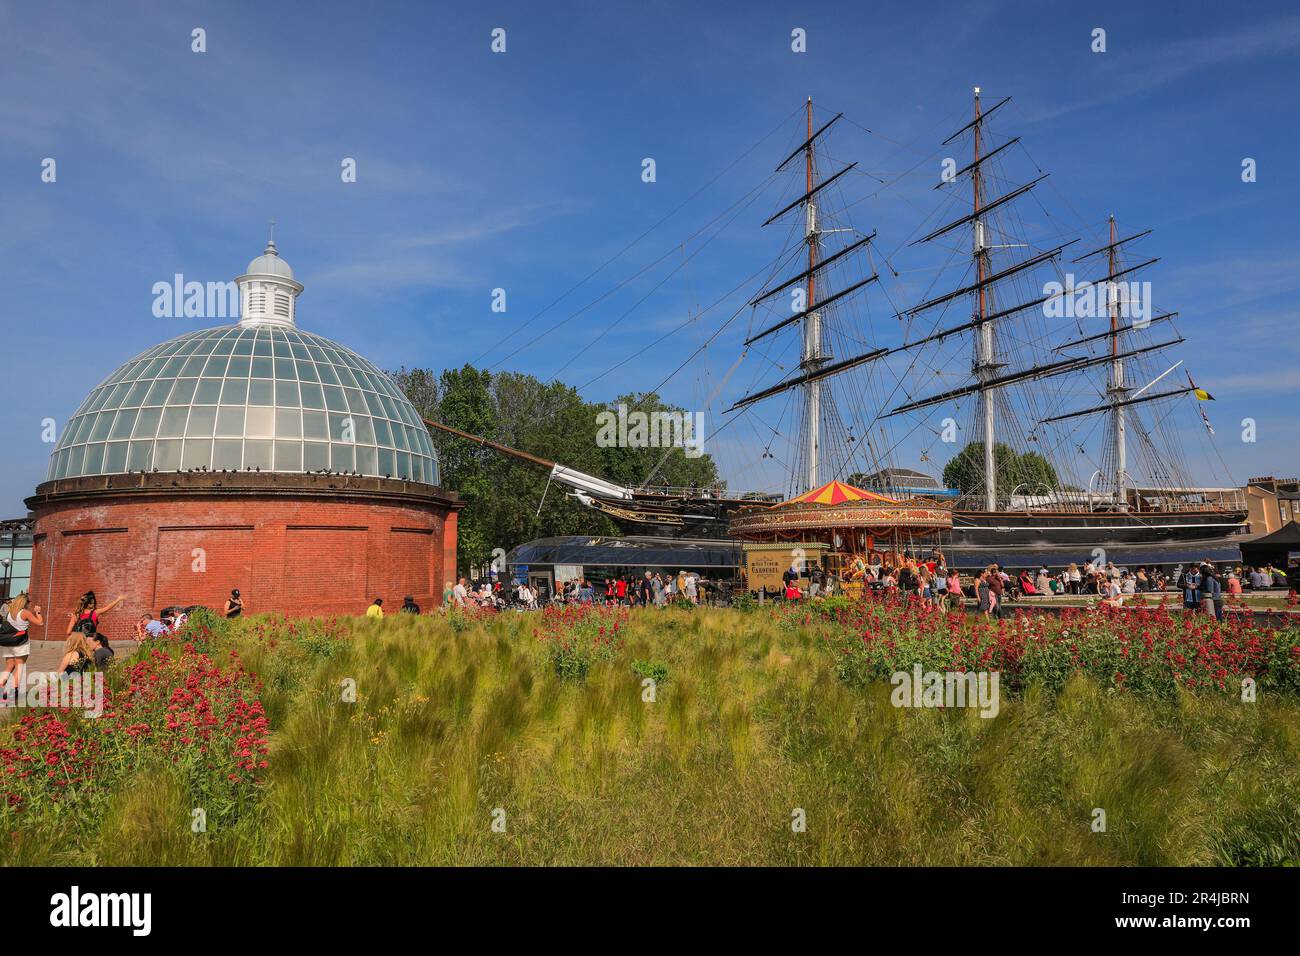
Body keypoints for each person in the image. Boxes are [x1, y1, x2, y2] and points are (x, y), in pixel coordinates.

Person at [1, 592, 42, 703]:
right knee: (20, 667)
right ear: (24, 602)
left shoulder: (10, 613)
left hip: (8, 642)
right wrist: (38, 612)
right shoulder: (25, 613)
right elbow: (40, 623)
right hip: (20, 642)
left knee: (9, 667)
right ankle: (12, 691)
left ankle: (2, 688)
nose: (29, 604)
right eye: (28, 602)